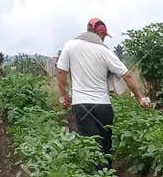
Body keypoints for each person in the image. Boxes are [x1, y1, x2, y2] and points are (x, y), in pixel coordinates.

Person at [55, 17, 150, 162]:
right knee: (106, 147)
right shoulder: (105, 52)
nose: (104, 39)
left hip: (82, 106)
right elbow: (127, 75)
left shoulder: (70, 46)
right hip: (104, 107)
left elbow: (61, 73)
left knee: (93, 147)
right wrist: (139, 97)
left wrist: (63, 98)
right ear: (99, 34)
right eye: (104, 36)